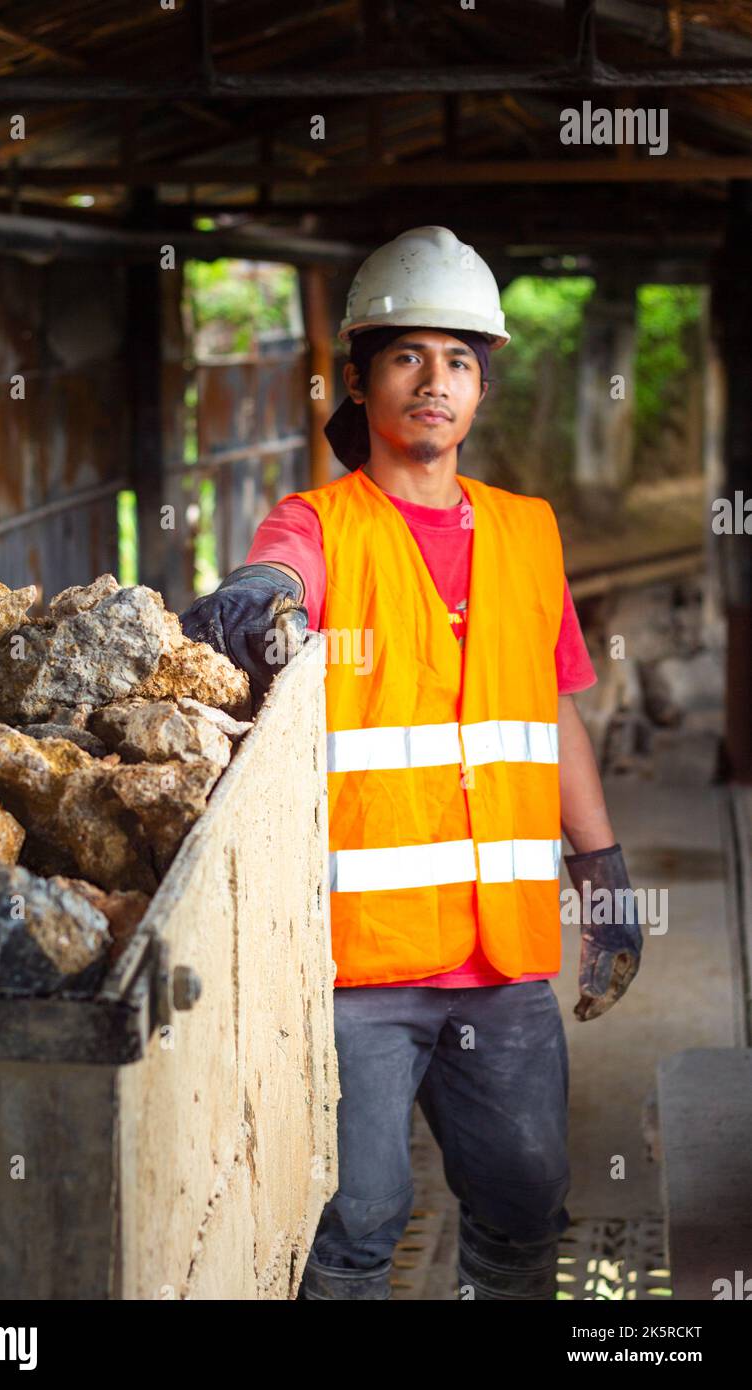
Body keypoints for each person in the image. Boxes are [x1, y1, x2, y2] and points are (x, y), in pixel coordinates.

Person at [179, 226, 643, 1301]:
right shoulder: (319, 526)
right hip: (360, 969)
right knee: (354, 1220)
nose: (434, 382)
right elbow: (277, 565)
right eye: (405, 356)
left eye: (460, 359)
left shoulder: (528, 533)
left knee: (526, 1203)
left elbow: (552, 712)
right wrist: (260, 592)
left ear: (479, 386)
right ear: (359, 378)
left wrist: (603, 870)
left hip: (505, 960)